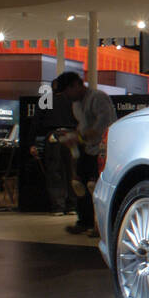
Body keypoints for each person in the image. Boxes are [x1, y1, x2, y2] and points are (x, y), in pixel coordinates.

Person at [51, 72, 116, 237]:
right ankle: (84, 221)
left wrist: (78, 137)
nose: (66, 96)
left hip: (103, 149)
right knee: (79, 186)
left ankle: (100, 225)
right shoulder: (76, 104)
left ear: (76, 85)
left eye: (67, 91)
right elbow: (84, 125)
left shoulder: (98, 98)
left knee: (96, 188)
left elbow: (103, 126)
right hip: (86, 148)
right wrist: (74, 137)